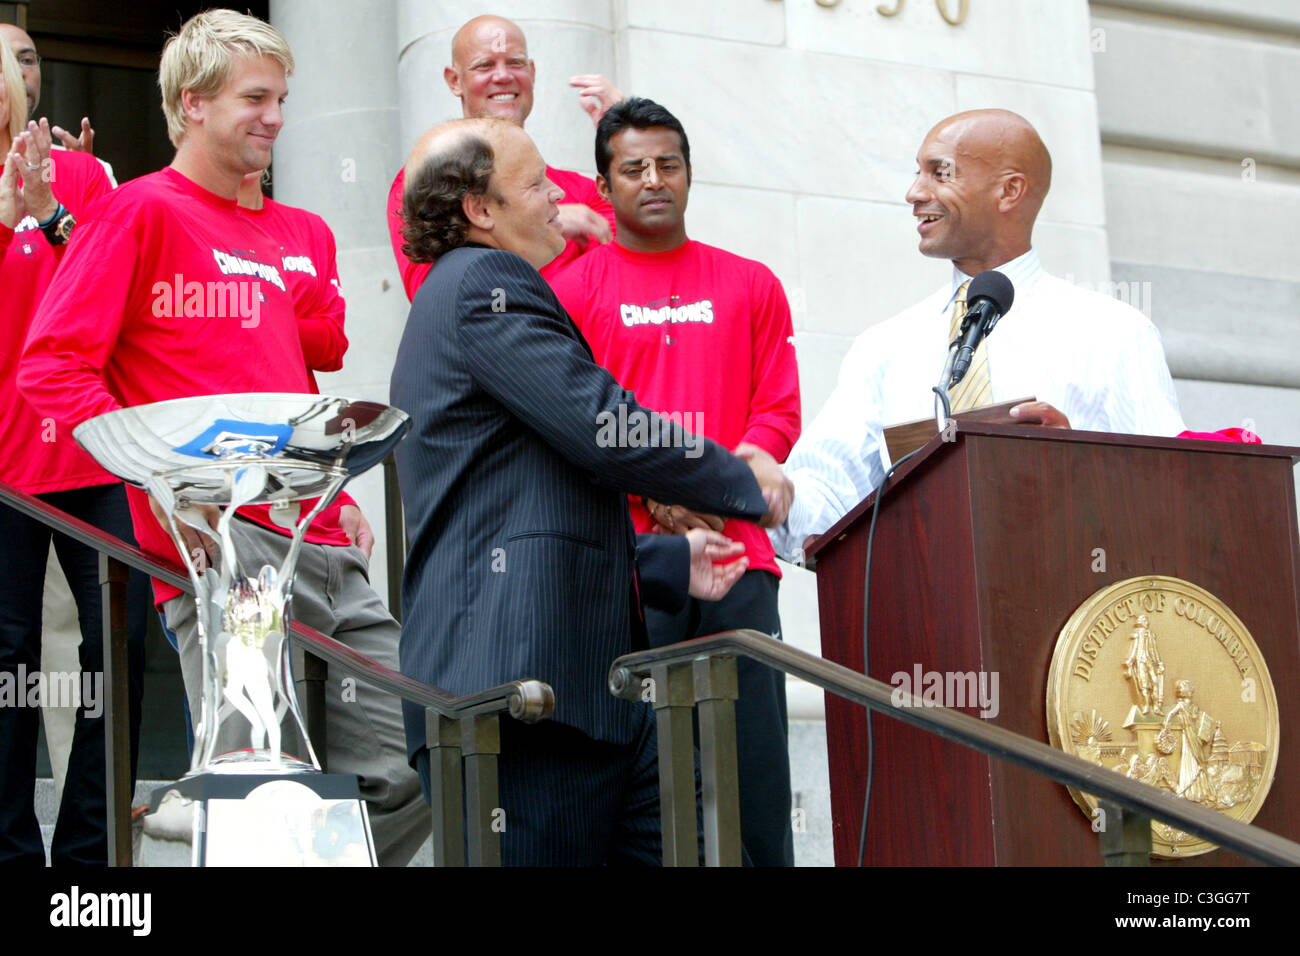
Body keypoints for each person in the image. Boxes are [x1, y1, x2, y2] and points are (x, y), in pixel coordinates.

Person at [17, 9, 425, 866]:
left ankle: (221, 826)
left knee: (415, 760)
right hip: (220, 557)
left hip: (315, 532)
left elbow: (293, 382)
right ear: (192, 103)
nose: (276, 115)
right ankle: (205, 815)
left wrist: (338, 491)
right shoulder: (136, 215)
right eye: (256, 97)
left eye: (282, 97)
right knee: (257, 790)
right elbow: (52, 371)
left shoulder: (289, 232)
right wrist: (168, 495)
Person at [391, 116, 794, 865]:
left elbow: (523, 501)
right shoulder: (486, 285)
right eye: (538, 184)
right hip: (521, 698)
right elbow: (601, 425)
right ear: (480, 209)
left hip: (585, 697)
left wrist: (665, 564)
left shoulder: (472, 293)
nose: (560, 202)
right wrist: (743, 481)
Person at [549, 97, 801, 866]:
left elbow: (776, 414)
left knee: (753, 780)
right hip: (632, 567)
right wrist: (664, 496)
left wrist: (729, 481)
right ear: (603, 186)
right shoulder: (572, 293)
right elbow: (572, 424)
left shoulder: (752, 283)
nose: (654, 181)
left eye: (669, 165)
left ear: (689, 173)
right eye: (634, 169)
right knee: (649, 787)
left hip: (739, 561)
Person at [771, 109, 1186, 559]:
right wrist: (755, 494)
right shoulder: (884, 346)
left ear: (1009, 191)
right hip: (920, 611)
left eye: (940, 173)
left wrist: (1075, 468)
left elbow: (1169, 500)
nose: (914, 193)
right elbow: (827, 498)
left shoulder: (1115, 333)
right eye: (918, 173)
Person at [0, 38, 149, 866]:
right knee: (6, 660)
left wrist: (50, 211)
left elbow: (111, 294)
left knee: (118, 651)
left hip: (94, 448)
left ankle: (89, 853)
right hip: (3, 465)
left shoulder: (85, 180)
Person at [386, 13, 620, 298]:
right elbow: (441, 296)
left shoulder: (582, 193)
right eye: (484, 65)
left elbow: (627, 280)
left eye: (515, 63)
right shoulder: (424, 180)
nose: (503, 76)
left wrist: (625, 145)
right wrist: (534, 222)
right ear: (454, 80)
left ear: (532, 73)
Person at [0, 23, 116, 183]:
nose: (17, 72)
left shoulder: (84, 169)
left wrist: (83, 178)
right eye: (3, 63)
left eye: (27, 60)